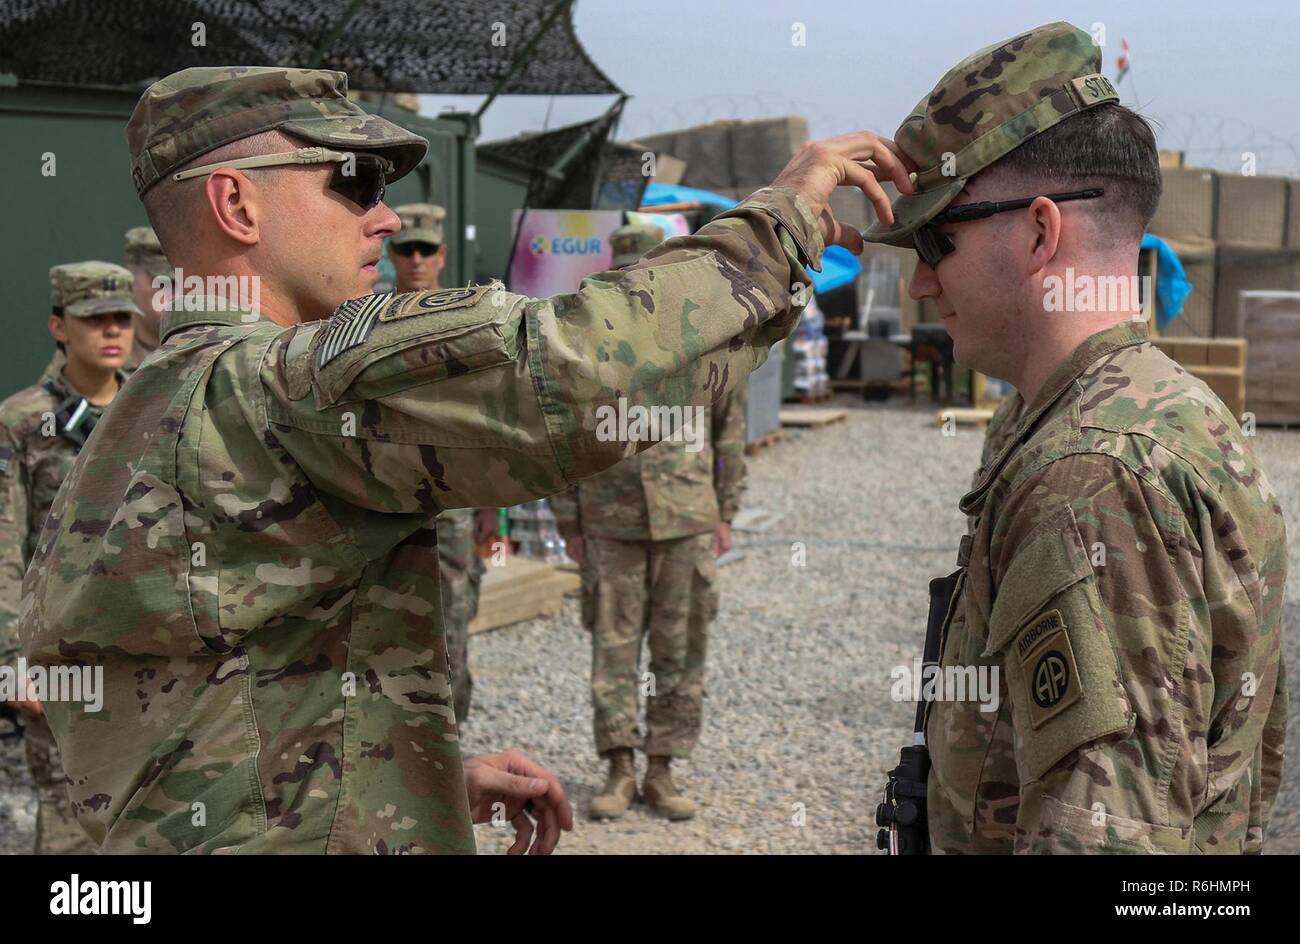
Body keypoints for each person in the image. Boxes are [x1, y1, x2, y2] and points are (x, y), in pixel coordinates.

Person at [19, 65, 911, 854]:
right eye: (353, 179)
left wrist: (406, 787)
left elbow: (213, 703)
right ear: (236, 204)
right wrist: (782, 213)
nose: (383, 216)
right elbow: (563, 367)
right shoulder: (275, 387)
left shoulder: (161, 401)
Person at [866, 21, 1286, 854]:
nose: (918, 282)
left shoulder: (1092, 472)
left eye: (934, 241)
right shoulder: (1158, 407)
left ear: (1038, 231)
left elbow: (1110, 842)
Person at [551, 222, 747, 822]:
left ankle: (662, 767)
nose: (638, 289)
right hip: (610, 523)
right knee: (612, 652)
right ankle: (618, 766)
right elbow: (566, 444)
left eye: (647, 276)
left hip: (687, 517)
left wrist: (725, 509)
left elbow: (729, 435)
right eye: (628, 277)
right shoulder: (584, 355)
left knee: (681, 649)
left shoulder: (705, 346)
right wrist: (571, 521)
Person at [0, 261, 136, 854]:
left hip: (144, 652)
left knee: (148, 821)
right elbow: (5, 545)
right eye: (93, 320)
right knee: (69, 830)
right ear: (60, 326)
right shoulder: (23, 422)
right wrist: (13, 657)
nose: (111, 332)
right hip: (59, 654)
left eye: (121, 319)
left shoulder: (153, 407)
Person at [389, 201, 491, 723]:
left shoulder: (468, 323)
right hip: (386, 507)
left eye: (425, 250)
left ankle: (451, 752)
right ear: (391, 253)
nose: (415, 260)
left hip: (452, 507)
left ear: (442, 254)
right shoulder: (365, 323)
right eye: (405, 249)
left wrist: (493, 513)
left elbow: (488, 420)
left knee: (452, 625)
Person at [123, 225, 172, 369]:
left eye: (183, 282)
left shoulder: (208, 350)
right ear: (130, 280)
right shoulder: (106, 354)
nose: (174, 293)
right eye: (161, 282)